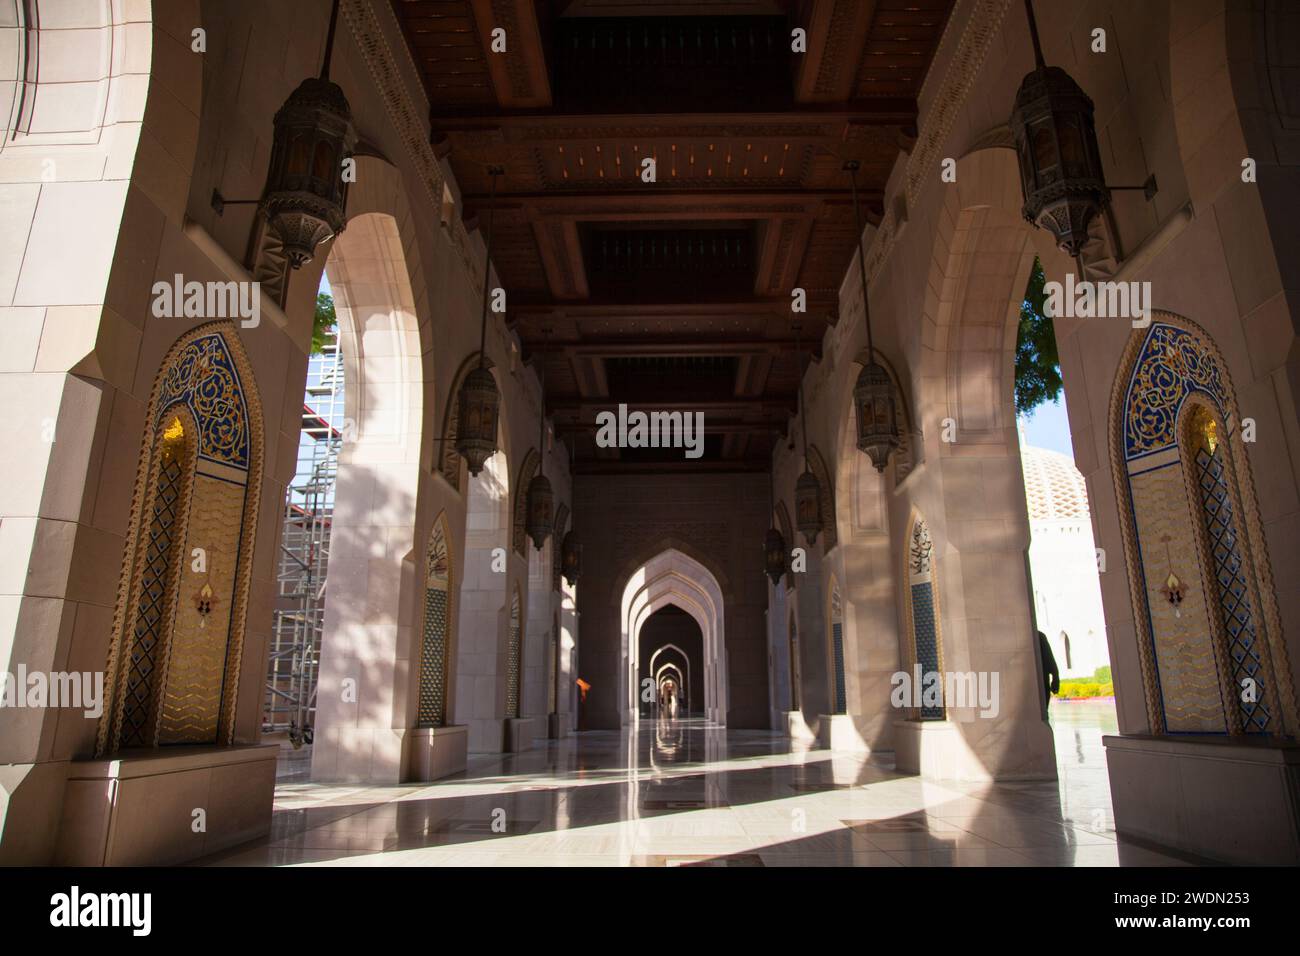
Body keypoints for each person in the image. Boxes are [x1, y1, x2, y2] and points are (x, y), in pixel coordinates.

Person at [1038, 630, 1060, 710]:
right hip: (1042, 685)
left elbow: (1050, 660)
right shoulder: (1039, 636)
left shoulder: (1039, 636)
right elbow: (1050, 661)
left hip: (1041, 684)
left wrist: (1056, 677)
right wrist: (1056, 678)